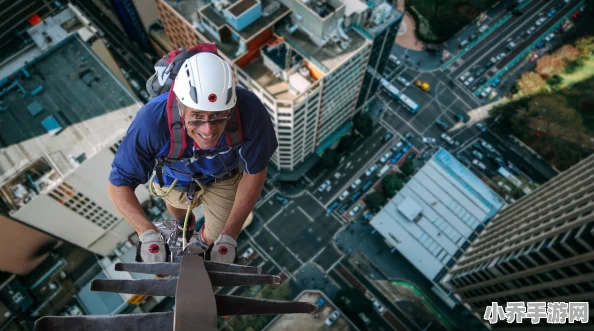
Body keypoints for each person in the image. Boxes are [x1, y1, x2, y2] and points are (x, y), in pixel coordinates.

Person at [107, 47, 278, 264]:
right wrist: (147, 233)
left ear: (231, 107)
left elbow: (255, 171)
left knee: (218, 235)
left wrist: (229, 236)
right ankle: (182, 224)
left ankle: (201, 245)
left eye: (218, 117)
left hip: (222, 176)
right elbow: (118, 184)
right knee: (175, 201)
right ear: (180, 107)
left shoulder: (250, 110)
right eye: (196, 117)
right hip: (175, 177)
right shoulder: (152, 121)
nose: (208, 131)